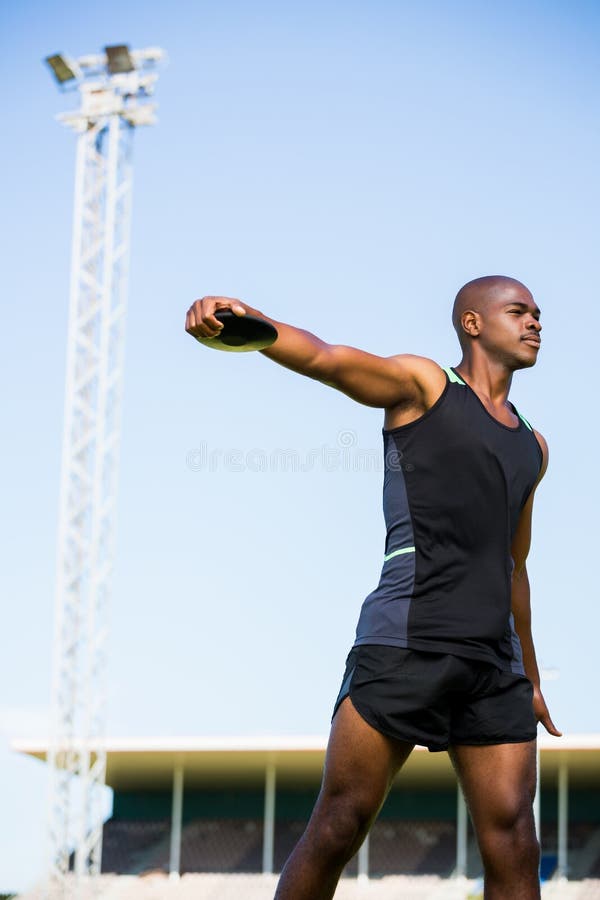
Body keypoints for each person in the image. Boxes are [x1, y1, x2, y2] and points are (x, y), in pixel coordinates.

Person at [185, 275, 561, 900]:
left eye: (538, 314)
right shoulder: (424, 385)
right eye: (519, 312)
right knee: (340, 822)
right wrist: (255, 324)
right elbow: (330, 360)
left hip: (495, 666)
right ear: (473, 323)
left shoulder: (534, 447)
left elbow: (514, 566)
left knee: (516, 842)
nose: (535, 323)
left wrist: (533, 675)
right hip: (404, 643)